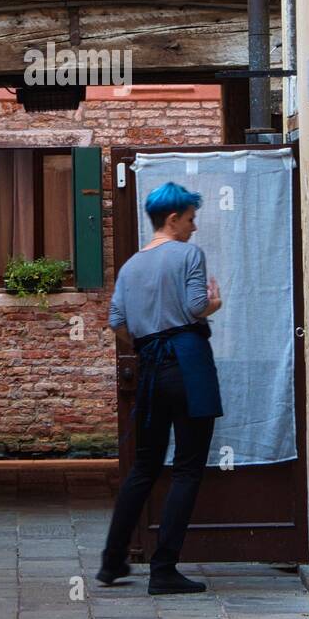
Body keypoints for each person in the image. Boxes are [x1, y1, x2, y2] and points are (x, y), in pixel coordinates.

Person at [98, 182, 223, 595]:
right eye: (191, 219)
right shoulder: (188, 254)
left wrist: (145, 345)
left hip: (152, 368)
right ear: (173, 219)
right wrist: (213, 304)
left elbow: (117, 320)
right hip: (188, 364)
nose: (195, 227)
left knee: (145, 466)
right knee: (187, 468)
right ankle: (164, 569)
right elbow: (192, 308)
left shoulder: (132, 265)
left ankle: (112, 562)